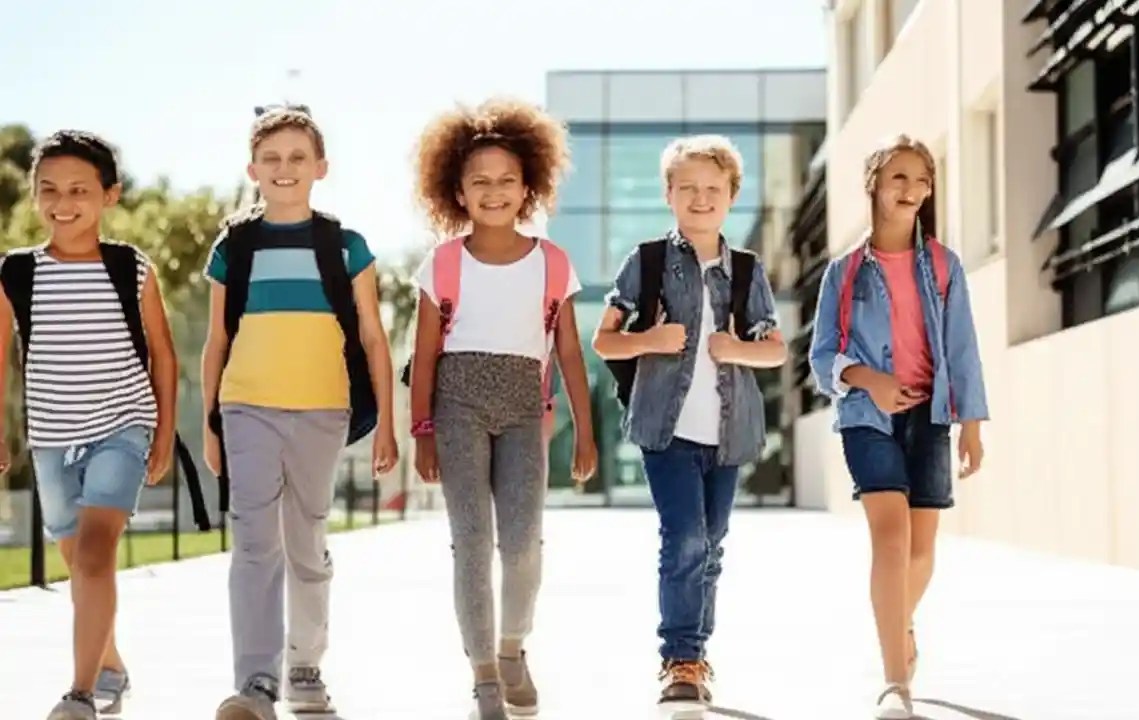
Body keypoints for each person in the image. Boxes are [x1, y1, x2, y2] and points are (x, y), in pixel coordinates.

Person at [203, 108, 399, 720]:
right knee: (256, 544)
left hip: (322, 408)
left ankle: (306, 662)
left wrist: (386, 425)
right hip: (246, 406)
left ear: (320, 167)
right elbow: (216, 341)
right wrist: (210, 422)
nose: (283, 169)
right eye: (271, 159)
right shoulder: (233, 247)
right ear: (252, 170)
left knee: (306, 541)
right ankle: (256, 681)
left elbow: (372, 339)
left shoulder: (345, 246)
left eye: (296, 158)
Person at [407, 97, 598, 720]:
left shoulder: (552, 263)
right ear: (457, 191)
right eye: (479, 181)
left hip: (523, 409)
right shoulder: (442, 263)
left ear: (528, 188)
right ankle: (484, 674)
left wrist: (585, 434)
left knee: (521, 544)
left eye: (506, 181)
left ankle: (513, 647)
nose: (494, 191)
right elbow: (426, 356)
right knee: (471, 540)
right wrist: (423, 432)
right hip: (457, 406)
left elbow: (568, 353)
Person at [591, 135, 786, 711]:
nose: (701, 199)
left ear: (731, 198)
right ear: (668, 194)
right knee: (685, 538)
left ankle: (695, 652)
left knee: (712, 544)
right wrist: (649, 339)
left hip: (728, 434)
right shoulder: (646, 261)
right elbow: (605, 340)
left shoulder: (747, 271)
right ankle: (680, 657)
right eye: (689, 188)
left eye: (713, 190)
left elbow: (774, 349)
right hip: (665, 429)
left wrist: (734, 348)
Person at [808, 134, 989, 720]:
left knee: (922, 552)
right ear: (875, 189)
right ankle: (894, 683)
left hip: (930, 417)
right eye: (898, 179)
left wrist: (972, 424)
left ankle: (899, 623)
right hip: (867, 417)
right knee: (891, 540)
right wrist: (869, 380)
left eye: (920, 180)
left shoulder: (944, 265)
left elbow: (962, 348)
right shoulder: (844, 272)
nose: (910, 190)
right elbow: (820, 357)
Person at [0, 130, 179, 720]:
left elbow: (163, 354)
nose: (63, 201)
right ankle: (111, 666)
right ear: (34, 195)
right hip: (52, 436)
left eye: (79, 189)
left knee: (96, 557)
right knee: (80, 566)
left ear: (110, 196)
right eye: (48, 189)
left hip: (121, 426)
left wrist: (161, 432)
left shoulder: (132, 267)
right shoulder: (17, 273)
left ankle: (79, 694)